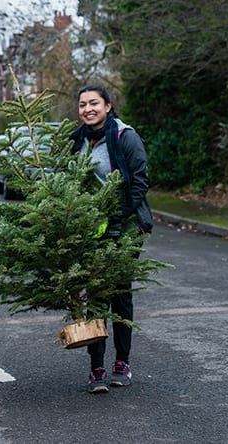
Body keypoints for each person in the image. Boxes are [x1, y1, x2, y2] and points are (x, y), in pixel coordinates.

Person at [68, 85, 153, 394]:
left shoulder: (125, 137)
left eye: (94, 103)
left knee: (119, 293)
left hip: (126, 225)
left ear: (108, 106)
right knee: (97, 295)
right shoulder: (78, 141)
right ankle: (96, 368)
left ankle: (122, 363)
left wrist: (117, 218)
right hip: (93, 227)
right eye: (82, 105)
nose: (88, 109)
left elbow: (139, 182)